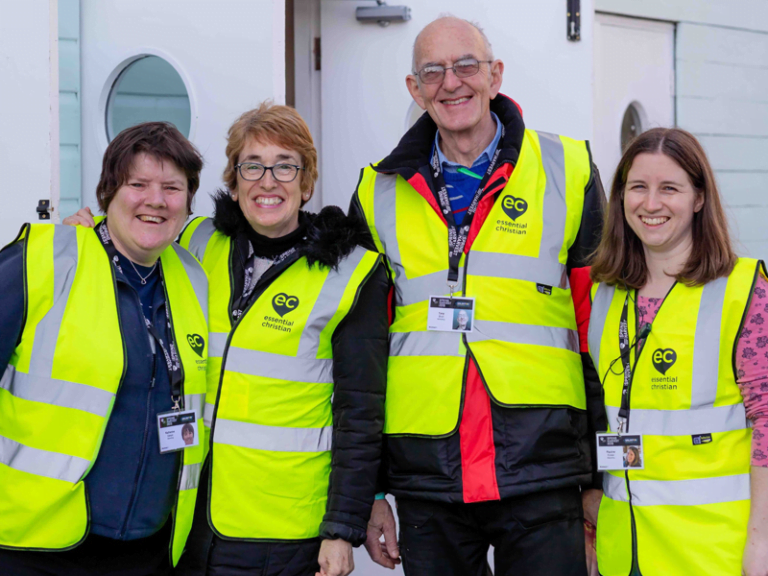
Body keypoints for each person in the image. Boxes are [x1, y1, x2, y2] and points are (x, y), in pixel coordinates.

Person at [67, 102, 389, 576]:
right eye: (252, 165)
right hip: (187, 517)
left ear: (306, 182)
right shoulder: (196, 243)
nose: (268, 180)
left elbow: (360, 414)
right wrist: (84, 240)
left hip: (284, 529)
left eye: (285, 166)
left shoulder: (352, 272)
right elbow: (132, 242)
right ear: (234, 183)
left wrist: (342, 528)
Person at [350, 16, 606, 576]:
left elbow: (601, 336)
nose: (452, 82)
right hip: (427, 472)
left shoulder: (570, 171)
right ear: (414, 91)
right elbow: (362, 360)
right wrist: (370, 494)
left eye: (466, 65)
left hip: (543, 468)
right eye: (432, 71)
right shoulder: (376, 193)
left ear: (495, 75)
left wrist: (599, 478)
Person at [0, 122, 208, 575]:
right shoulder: (47, 258)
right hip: (34, 548)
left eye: (172, 188)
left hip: (150, 550)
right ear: (108, 192)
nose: (156, 200)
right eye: (138, 184)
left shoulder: (194, 279)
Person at [587, 127, 768, 576]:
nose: (651, 204)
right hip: (622, 548)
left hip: (711, 553)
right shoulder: (605, 294)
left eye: (670, 188)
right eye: (638, 188)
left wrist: (762, 544)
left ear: (699, 198)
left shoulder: (743, 291)